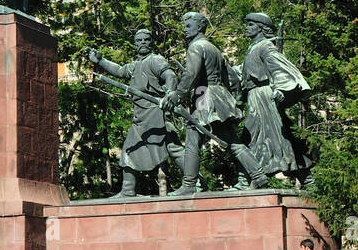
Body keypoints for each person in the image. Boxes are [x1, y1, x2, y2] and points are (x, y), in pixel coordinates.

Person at [161, 11, 268, 195]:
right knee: (231, 139)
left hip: (204, 95)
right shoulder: (214, 48)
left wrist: (177, 94)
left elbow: (191, 74)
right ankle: (258, 174)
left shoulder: (196, 47)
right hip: (219, 96)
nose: (185, 30)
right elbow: (233, 78)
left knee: (193, 138)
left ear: (200, 26)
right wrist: (237, 100)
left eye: (189, 26)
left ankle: (188, 185)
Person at [87, 30, 185, 197]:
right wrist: (100, 61)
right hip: (140, 116)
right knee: (134, 149)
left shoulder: (155, 60)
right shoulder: (135, 65)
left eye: (146, 39)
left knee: (170, 148)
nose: (143, 42)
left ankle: (193, 181)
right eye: (139, 40)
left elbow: (170, 76)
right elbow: (119, 71)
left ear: (151, 42)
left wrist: (169, 93)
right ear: (135, 43)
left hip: (155, 113)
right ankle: (128, 189)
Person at [238, 13, 314, 190]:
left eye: (250, 24)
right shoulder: (253, 47)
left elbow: (278, 67)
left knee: (252, 138)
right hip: (255, 96)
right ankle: (307, 178)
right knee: (280, 137)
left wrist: (280, 88)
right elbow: (246, 72)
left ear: (260, 27)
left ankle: (244, 179)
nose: (247, 28)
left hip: (263, 97)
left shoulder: (265, 46)